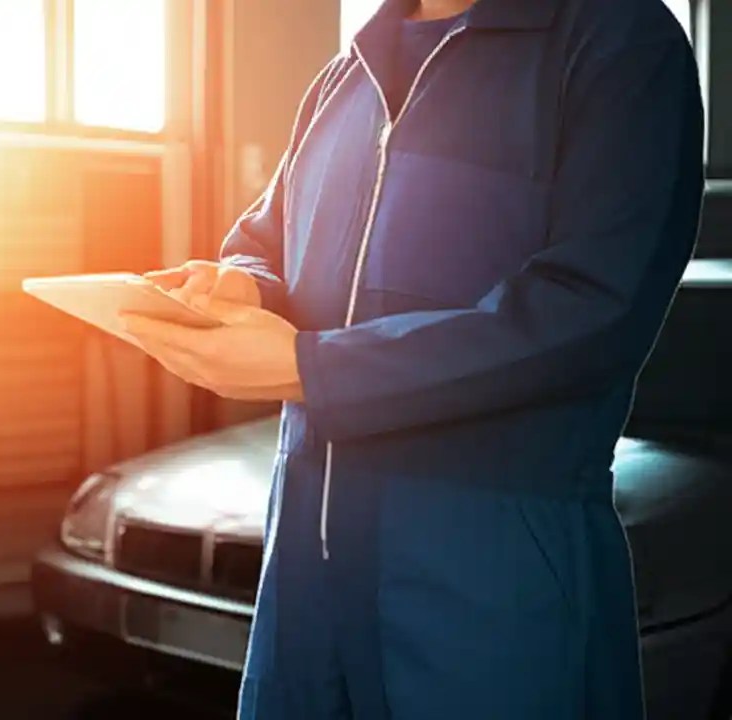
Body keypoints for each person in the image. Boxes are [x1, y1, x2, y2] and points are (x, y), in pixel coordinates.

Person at [122, 0, 705, 717]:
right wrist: (239, 287)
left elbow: (589, 311)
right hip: (304, 581)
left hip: (493, 585)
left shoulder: (617, 42)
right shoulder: (350, 71)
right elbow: (265, 239)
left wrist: (313, 370)